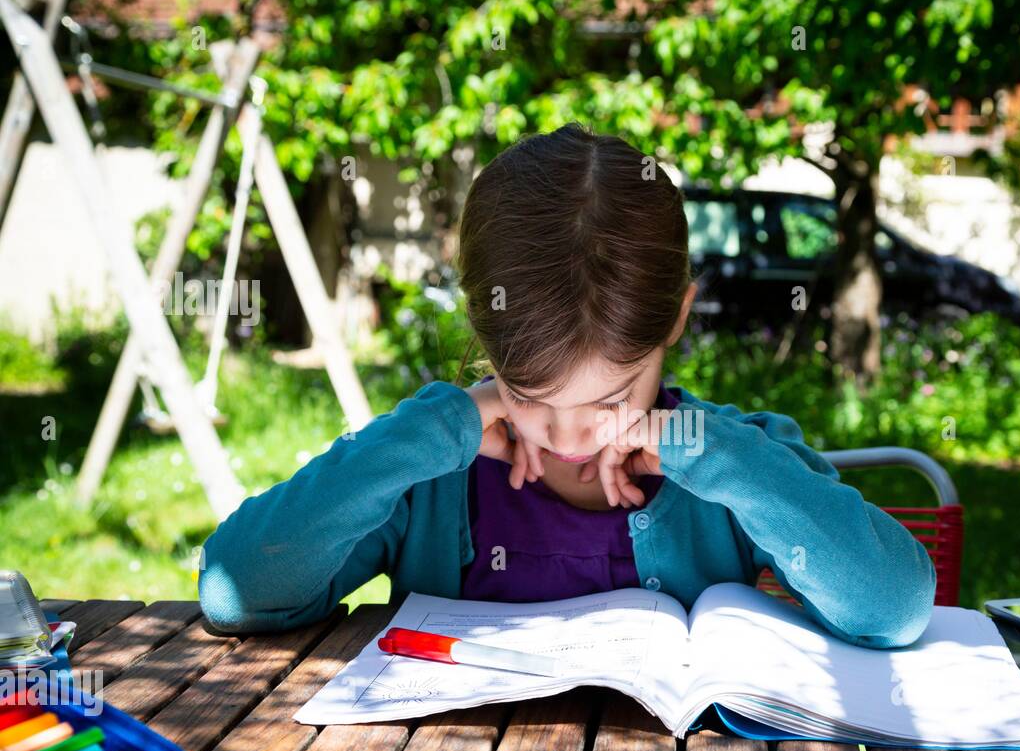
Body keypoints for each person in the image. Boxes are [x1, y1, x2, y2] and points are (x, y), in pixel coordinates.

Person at [198, 122, 936, 649]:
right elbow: (237, 590)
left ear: (676, 317)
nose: (571, 436)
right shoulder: (429, 477)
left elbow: (893, 607)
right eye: (527, 394)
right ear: (483, 339)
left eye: (612, 400)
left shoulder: (732, 461)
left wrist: (708, 454)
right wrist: (440, 429)